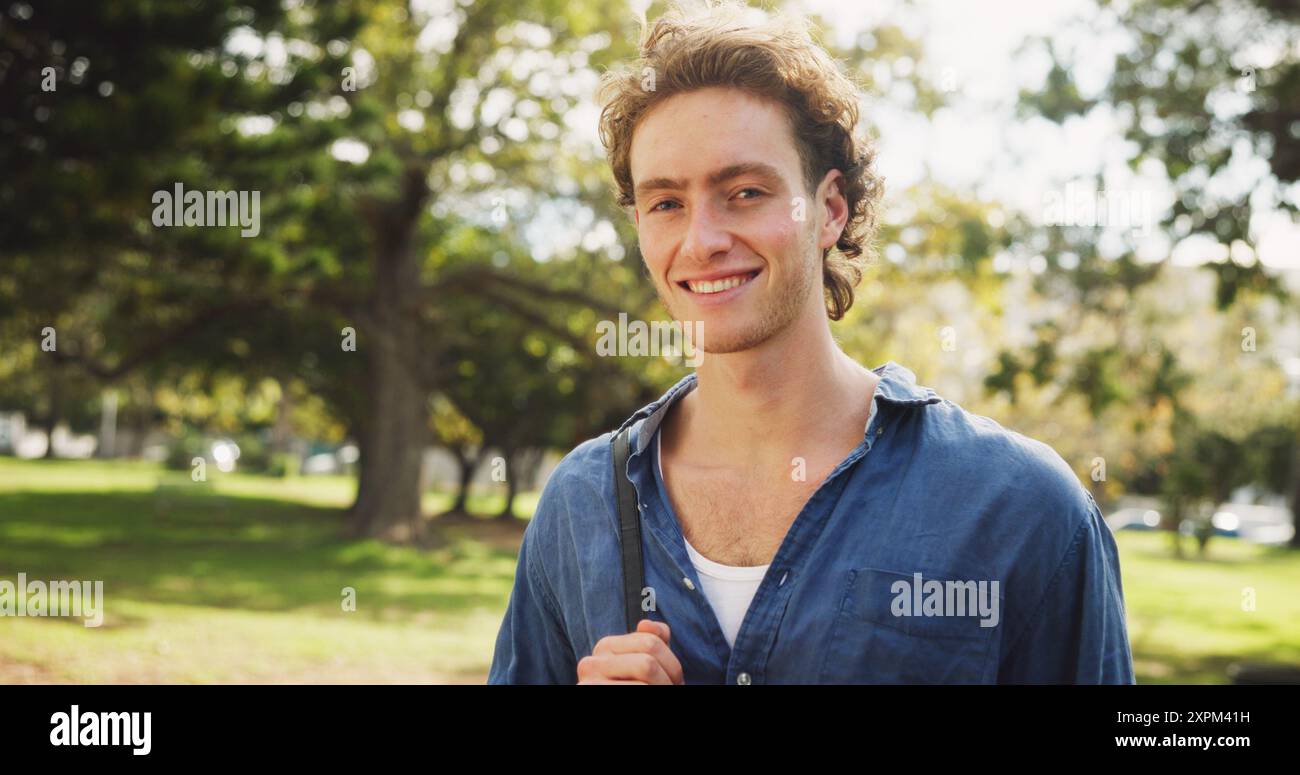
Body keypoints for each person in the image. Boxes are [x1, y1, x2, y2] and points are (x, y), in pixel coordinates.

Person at [488, 0, 1135, 684]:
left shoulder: (1021, 509)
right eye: (667, 203)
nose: (701, 241)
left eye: (743, 192)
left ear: (829, 210)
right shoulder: (579, 505)